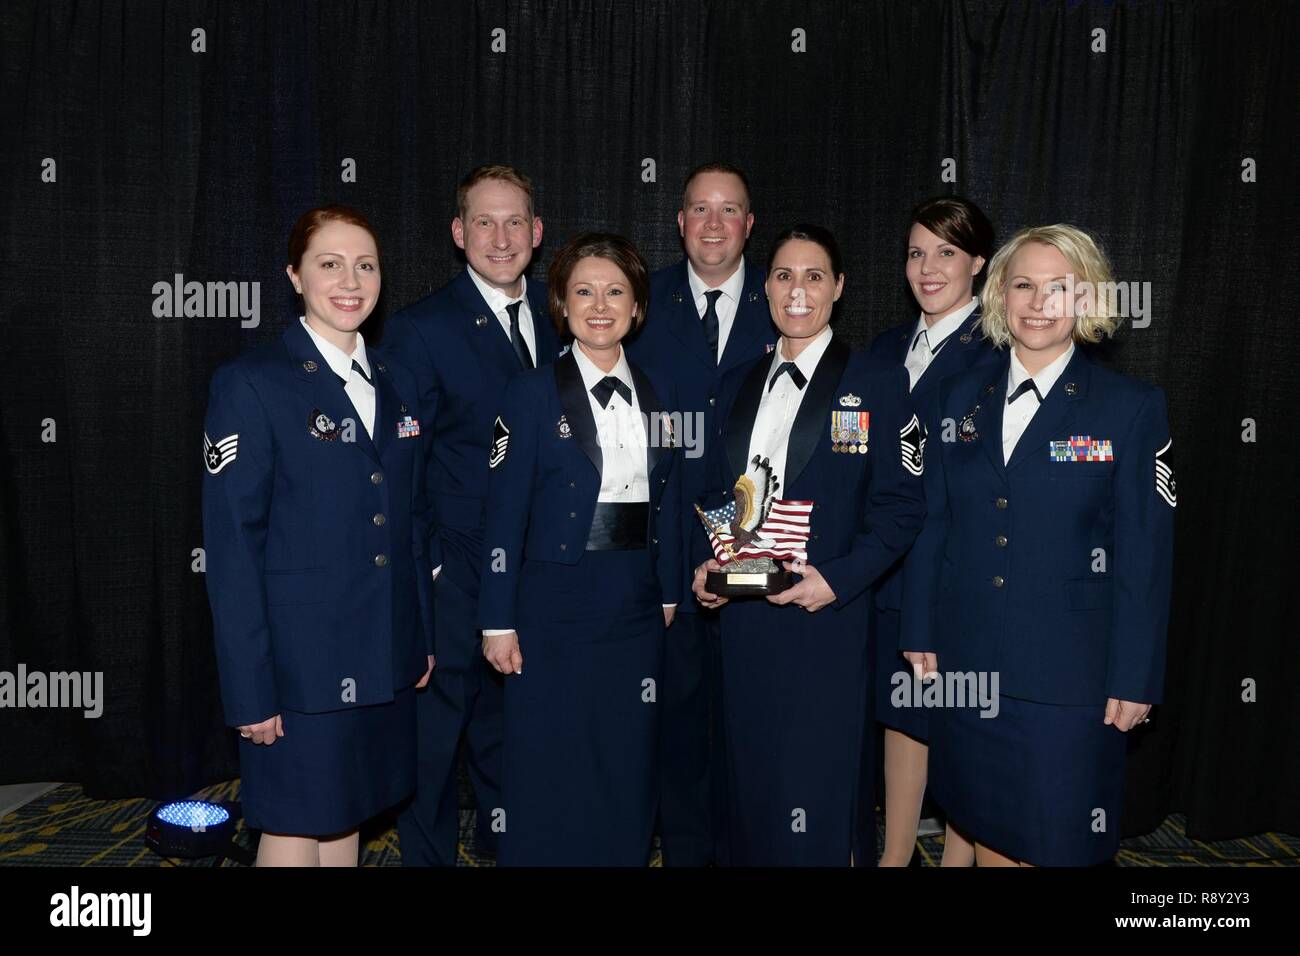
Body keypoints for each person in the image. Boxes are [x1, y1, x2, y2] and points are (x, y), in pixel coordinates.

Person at [901, 224, 1175, 866]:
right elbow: (934, 520)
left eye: (1060, 288)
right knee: (988, 828)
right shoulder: (955, 397)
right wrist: (918, 627)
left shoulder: (1129, 408)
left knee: (1060, 841)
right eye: (1023, 284)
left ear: (1088, 299)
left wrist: (1136, 676)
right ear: (1000, 293)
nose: (1039, 303)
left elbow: (1145, 554)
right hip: (967, 663)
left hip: (1071, 679)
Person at [203, 204, 435, 867]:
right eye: (329, 264)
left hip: (383, 653)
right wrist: (251, 688)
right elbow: (232, 550)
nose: (350, 282)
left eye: (366, 265)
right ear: (294, 276)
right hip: (297, 668)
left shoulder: (397, 381)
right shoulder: (252, 383)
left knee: (345, 816)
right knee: (293, 823)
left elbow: (412, 519)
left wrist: (418, 635)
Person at [692, 225, 925, 866]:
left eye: (814, 276)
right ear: (765, 288)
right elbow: (715, 489)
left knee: (817, 787)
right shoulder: (735, 383)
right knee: (750, 783)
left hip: (828, 621)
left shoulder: (878, 382)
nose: (798, 291)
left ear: (839, 288)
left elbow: (902, 508)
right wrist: (712, 564)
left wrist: (838, 580)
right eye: (784, 276)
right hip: (743, 620)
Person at [478, 233, 681, 865]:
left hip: (635, 598)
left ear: (637, 306)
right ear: (561, 305)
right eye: (584, 292)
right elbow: (503, 513)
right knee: (549, 756)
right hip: (553, 601)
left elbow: (670, 500)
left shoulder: (661, 390)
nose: (600, 305)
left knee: (626, 756)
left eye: (615, 291)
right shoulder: (530, 392)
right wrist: (496, 620)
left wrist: (671, 588)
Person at [383, 164, 560, 865]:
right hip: (454, 567)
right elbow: (402, 464)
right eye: (484, 222)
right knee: (434, 739)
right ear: (459, 233)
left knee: (510, 727)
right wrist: (428, 565)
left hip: (537, 566)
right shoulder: (419, 329)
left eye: (515, 221)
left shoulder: (565, 312)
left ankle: (503, 845)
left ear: (537, 232)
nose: (501, 237)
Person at [626, 161, 775, 866]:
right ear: (680, 220)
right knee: (678, 725)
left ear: (750, 224)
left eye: (730, 209)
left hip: (762, 554)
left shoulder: (785, 298)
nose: (714, 224)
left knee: (754, 723)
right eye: (700, 209)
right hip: (664, 552)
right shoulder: (638, 302)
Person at [866, 196, 997, 866]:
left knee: (957, 720)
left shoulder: (1001, 351)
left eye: (946, 252)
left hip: (954, 570)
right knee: (903, 711)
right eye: (917, 253)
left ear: (979, 263)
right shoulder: (884, 348)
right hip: (885, 566)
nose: (928, 267)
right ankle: (894, 857)